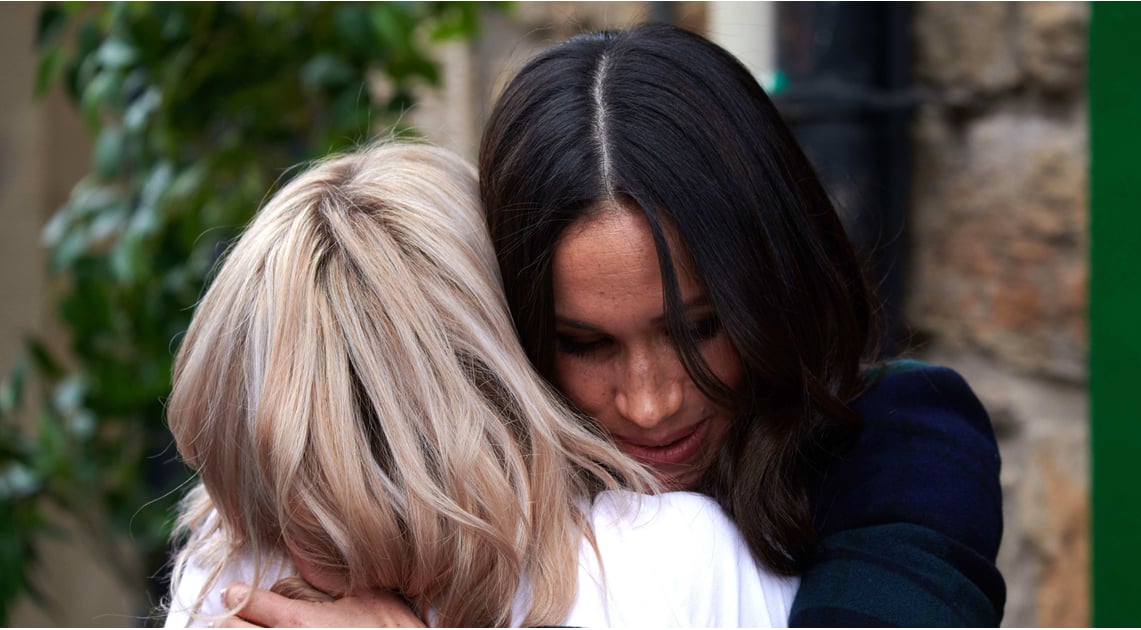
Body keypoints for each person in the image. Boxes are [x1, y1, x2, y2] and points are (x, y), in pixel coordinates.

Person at [222, 23, 1005, 627]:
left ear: (768, 285)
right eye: (584, 344)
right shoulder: (467, 484)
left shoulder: (903, 441)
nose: (651, 401)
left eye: (698, 329)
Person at [162, 141, 799, 627]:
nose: (301, 562)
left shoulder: (662, 567)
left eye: (355, 517)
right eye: (280, 505)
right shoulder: (230, 569)